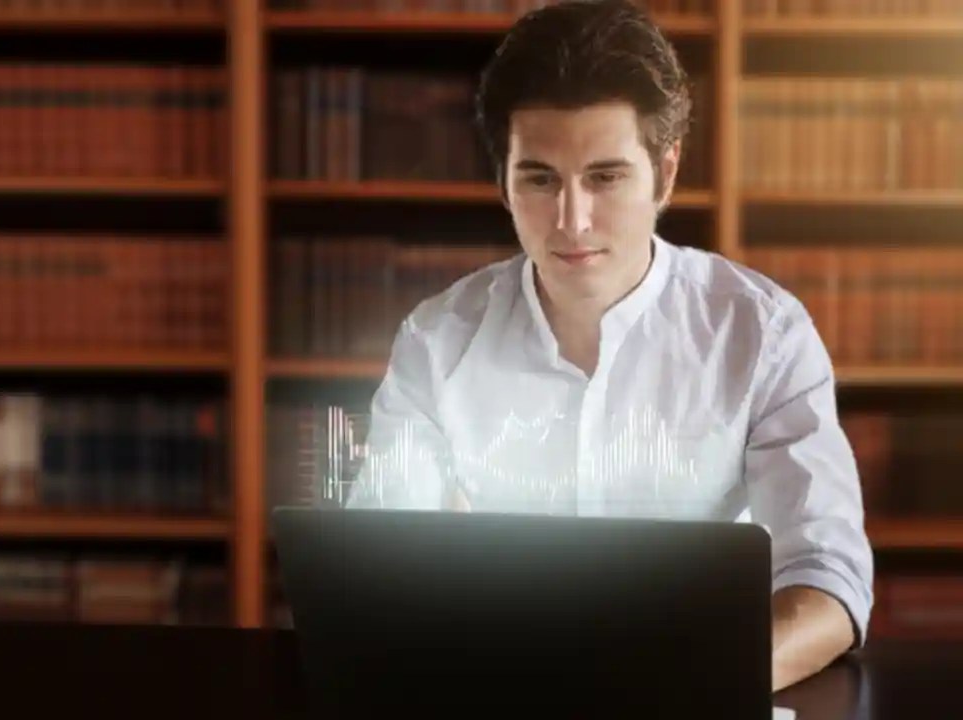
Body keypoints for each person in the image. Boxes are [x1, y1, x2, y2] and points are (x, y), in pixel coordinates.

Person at [344, 0, 874, 693]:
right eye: (539, 178)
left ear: (667, 174)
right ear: (502, 182)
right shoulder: (437, 340)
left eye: (605, 177)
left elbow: (828, 583)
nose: (572, 219)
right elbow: (370, 572)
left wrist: (683, 685)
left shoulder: (763, 334)